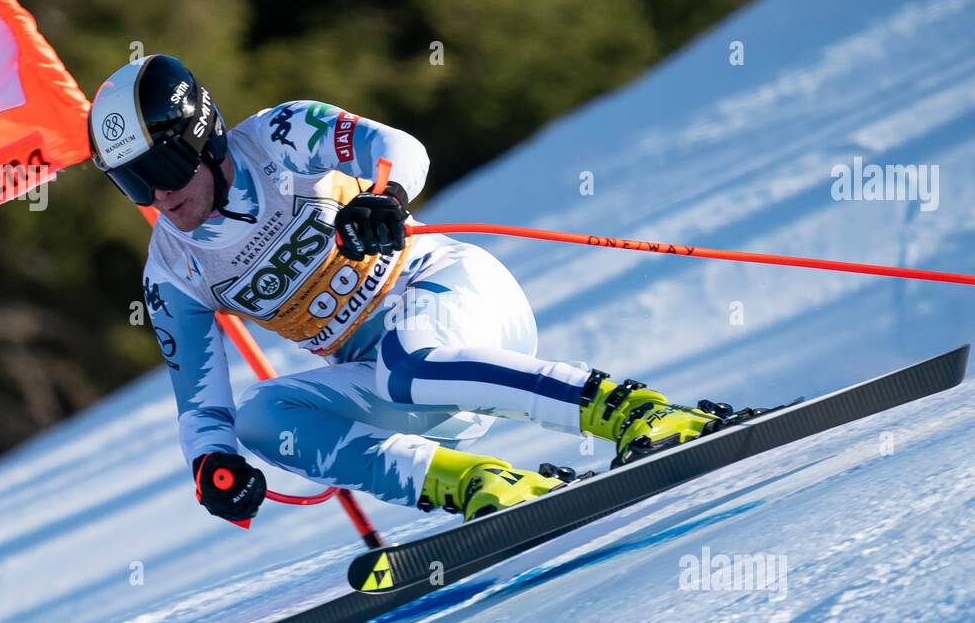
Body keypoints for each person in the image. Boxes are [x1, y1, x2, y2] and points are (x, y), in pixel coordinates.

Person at [89, 55, 722, 527]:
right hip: (397, 384)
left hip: (453, 296)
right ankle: (478, 483)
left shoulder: (280, 136)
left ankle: (637, 412)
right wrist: (212, 465)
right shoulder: (171, 271)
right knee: (261, 418)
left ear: (203, 135)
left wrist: (385, 197)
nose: (159, 197)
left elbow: (398, 148)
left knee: (404, 363)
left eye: (162, 170)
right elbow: (202, 405)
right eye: (131, 185)